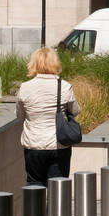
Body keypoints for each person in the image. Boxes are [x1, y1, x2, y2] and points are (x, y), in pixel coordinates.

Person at [15, 46, 81, 185]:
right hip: (58, 145)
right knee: (58, 188)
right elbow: (75, 111)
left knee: (34, 184)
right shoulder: (64, 86)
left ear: (34, 64)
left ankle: (35, 208)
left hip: (33, 145)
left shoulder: (25, 87)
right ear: (55, 63)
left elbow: (20, 116)